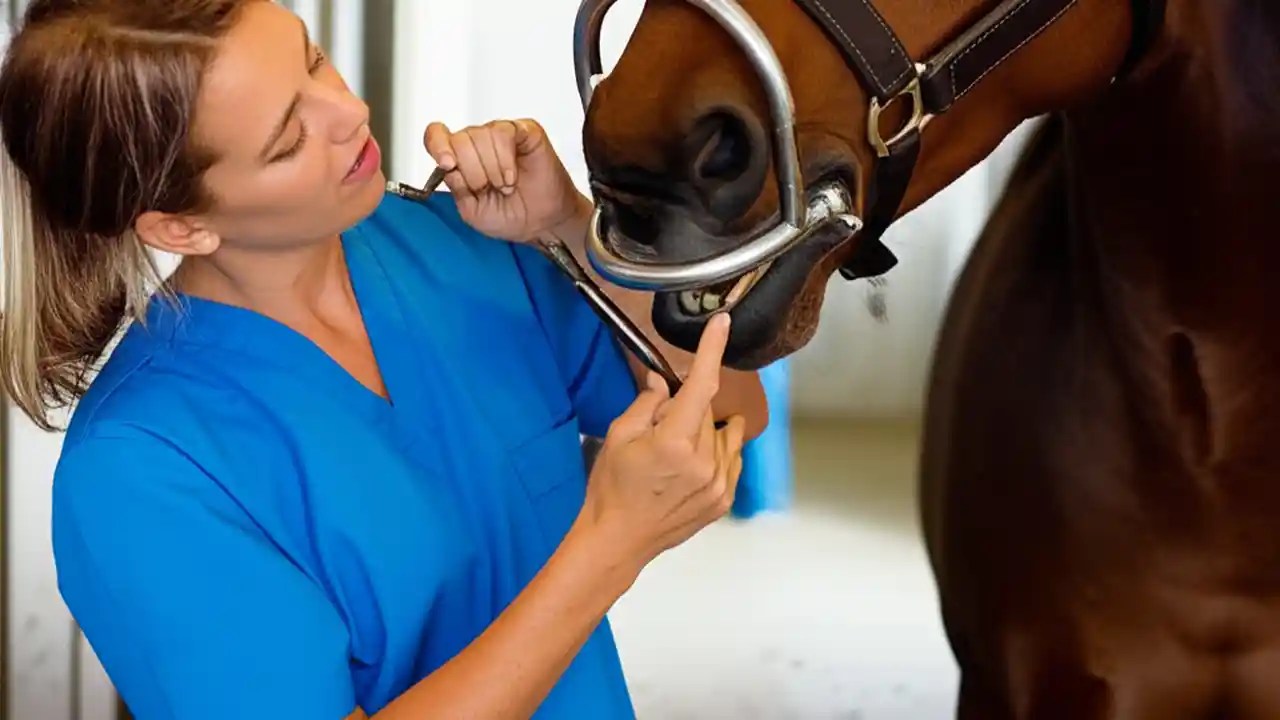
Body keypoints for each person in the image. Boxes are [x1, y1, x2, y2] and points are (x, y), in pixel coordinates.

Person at [0, 1, 768, 718]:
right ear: (181, 227)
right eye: (289, 141)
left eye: (314, 63)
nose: (350, 113)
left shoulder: (460, 246)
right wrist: (609, 544)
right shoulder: (141, 472)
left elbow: (735, 408)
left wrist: (569, 225)